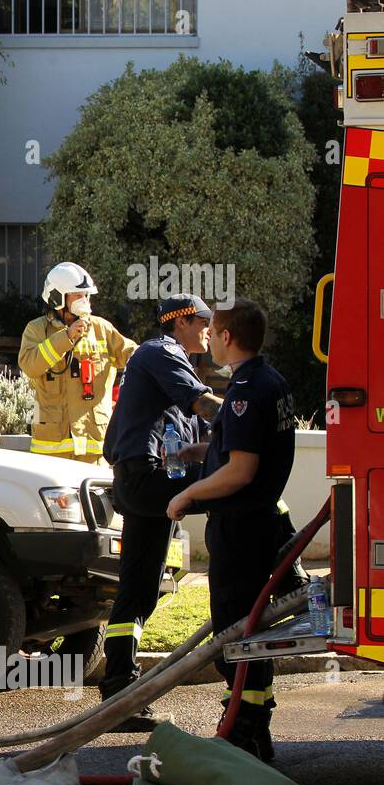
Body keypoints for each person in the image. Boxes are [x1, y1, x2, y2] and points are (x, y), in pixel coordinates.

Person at [168, 299, 296, 761]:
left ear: (225, 336)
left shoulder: (243, 391)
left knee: (234, 637)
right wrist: (203, 451)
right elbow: (244, 447)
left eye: (213, 333)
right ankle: (252, 728)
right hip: (262, 525)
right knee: (251, 632)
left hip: (240, 530)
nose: (210, 341)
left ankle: (242, 731)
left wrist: (188, 495)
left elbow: (242, 470)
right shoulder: (270, 381)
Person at [99, 294, 223, 729]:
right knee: (238, 486)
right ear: (182, 322)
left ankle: (119, 690)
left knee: (138, 592)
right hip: (147, 480)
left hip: (142, 483)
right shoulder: (161, 352)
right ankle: (289, 565)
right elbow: (204, 405)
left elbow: (116, 437)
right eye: (204, 321)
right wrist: (250, 422)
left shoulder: (167, 367)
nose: (209, 329)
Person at [19, 262, 136, 463]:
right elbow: (30, 365)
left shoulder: (101, 329)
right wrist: (67, 337)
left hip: (95, 449)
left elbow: (135, 356)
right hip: (50, 451)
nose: (84, 301)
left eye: (86, 295)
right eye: (78, 295)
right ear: (57, 298)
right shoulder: (36, 330)